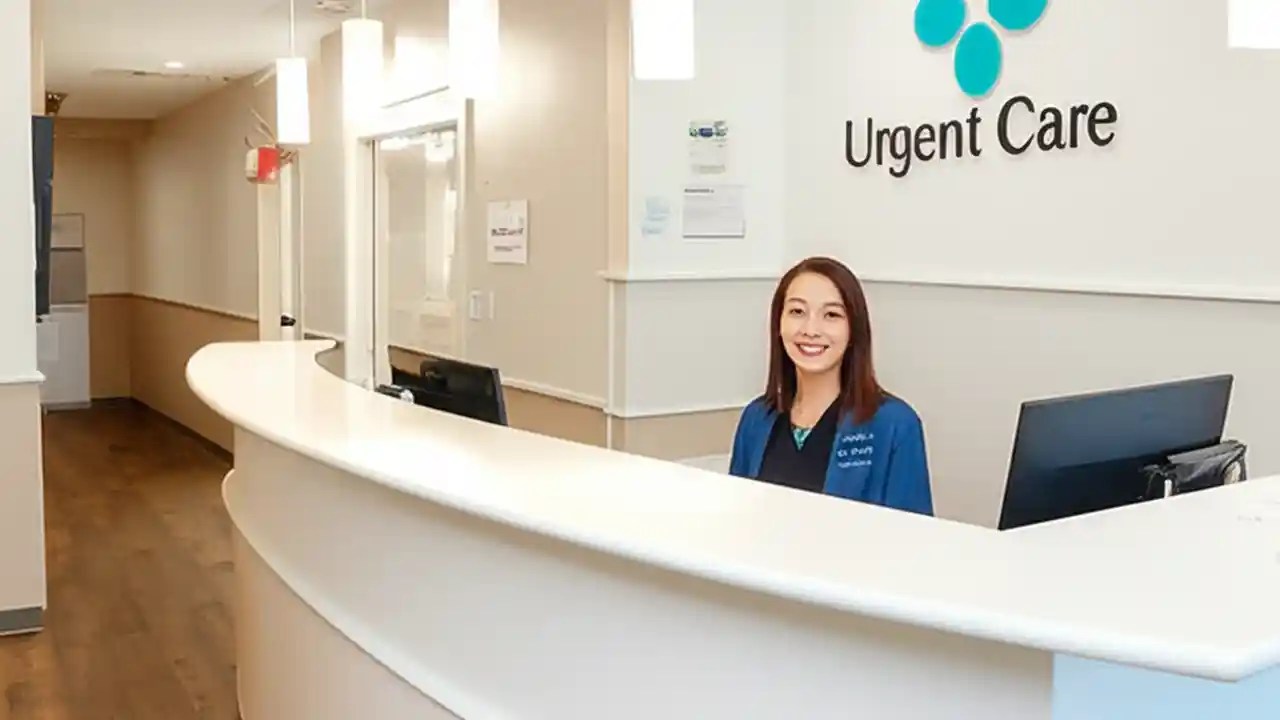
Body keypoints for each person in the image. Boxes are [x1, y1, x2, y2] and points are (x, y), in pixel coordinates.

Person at [728, 256, 933, 515]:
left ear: (853, 330)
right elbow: (738, 527)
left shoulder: (894, 425)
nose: (811, 329)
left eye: (831, 315)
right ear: (778, 324)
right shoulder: (756, 419)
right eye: (797, 312)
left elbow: (914, 541)